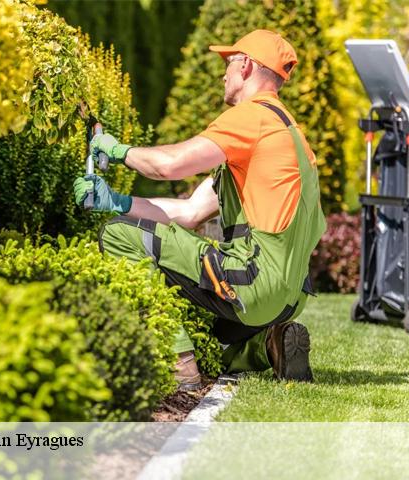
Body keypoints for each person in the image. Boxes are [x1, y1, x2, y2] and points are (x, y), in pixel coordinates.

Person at [73, 29, 326, 389]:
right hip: (288, 297)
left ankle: (178, 364)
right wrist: (116, 201)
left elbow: (169, 166)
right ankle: (266, 346)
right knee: (206, 331)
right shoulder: (288, 134)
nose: (223, 73)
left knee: (117, 235)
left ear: (247, 66)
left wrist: (118, 151)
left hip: (253, 282)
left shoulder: (251, 117)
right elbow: (190, 212)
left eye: (229, 63)